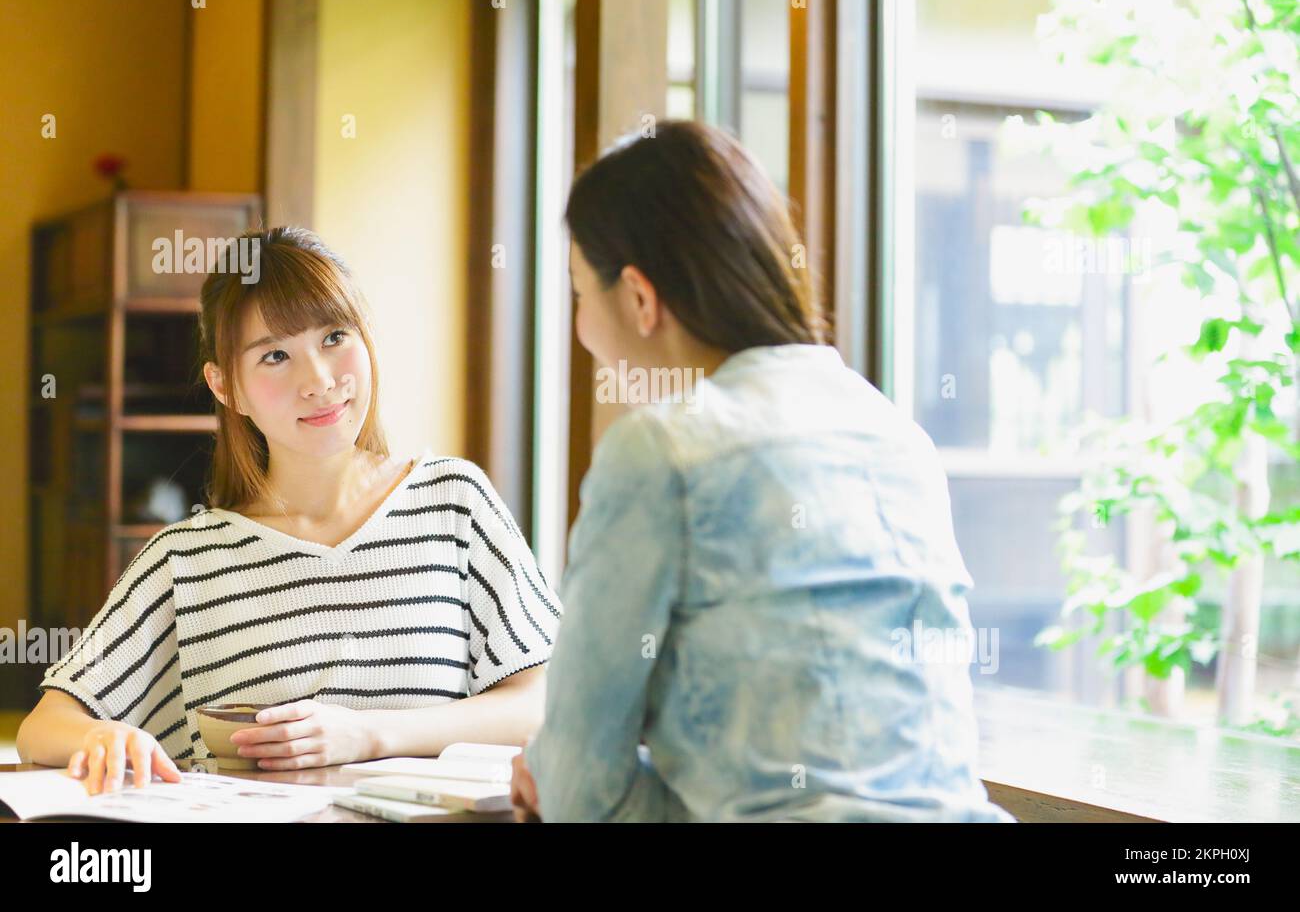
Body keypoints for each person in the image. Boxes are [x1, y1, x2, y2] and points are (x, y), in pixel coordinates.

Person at [509, 120, 1013, 822]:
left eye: (577, 295)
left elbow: (581, 787)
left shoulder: (660, 451)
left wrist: (548, 772)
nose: (582, 330)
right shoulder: (898, 438)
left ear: (638, 298)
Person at [17, 227, 559, 795]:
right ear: (226, 387)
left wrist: (369, 734)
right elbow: (44, 727)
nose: (320, 382)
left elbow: (542, 702)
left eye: (334, 337)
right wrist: (101, 738)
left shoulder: (455, 502)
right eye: (276, 355)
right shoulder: (185, 560)